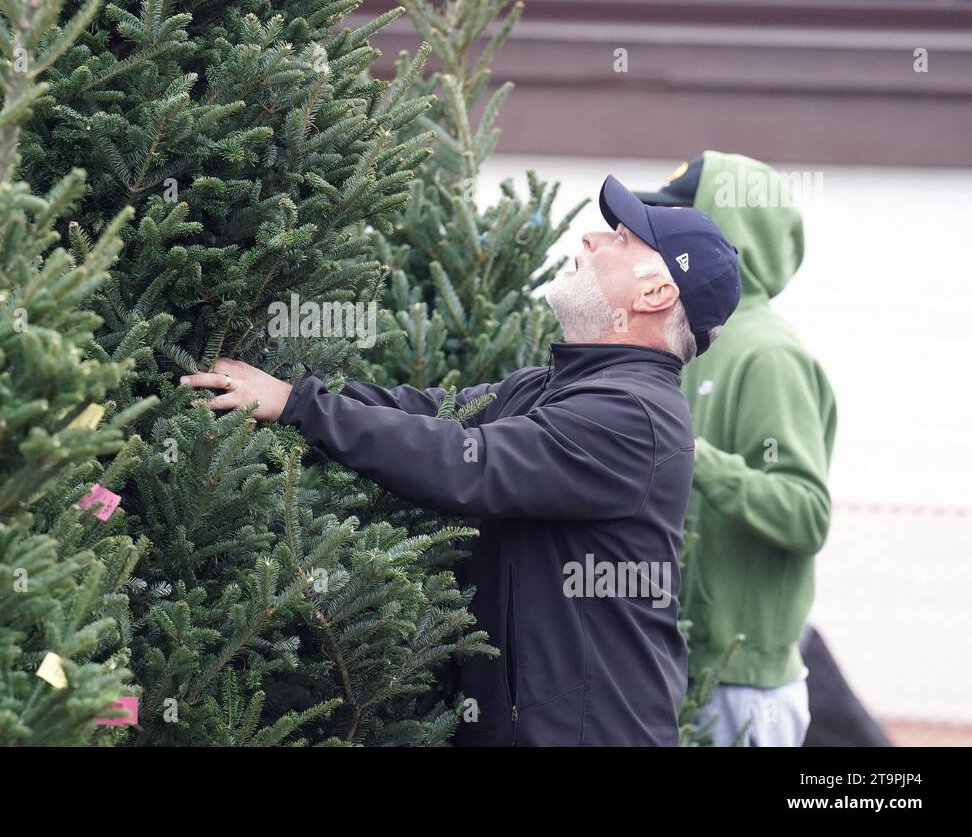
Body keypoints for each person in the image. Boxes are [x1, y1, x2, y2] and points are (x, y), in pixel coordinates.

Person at [180, 176, 741, 745]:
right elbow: (432, 415)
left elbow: (465, 463)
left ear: (655, 295)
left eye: (622, 239)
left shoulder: (632, 416)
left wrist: (301, 407)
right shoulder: (556, 388)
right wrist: (289, 391)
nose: (594, 239)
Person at [631, 152, 837, 746]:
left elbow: (806, 513)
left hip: (742, 689)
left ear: (728, 231)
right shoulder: (693, 340)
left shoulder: (768, 354)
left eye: (678, 222)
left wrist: (697, 456)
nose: (657, 240)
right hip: (675, 663)